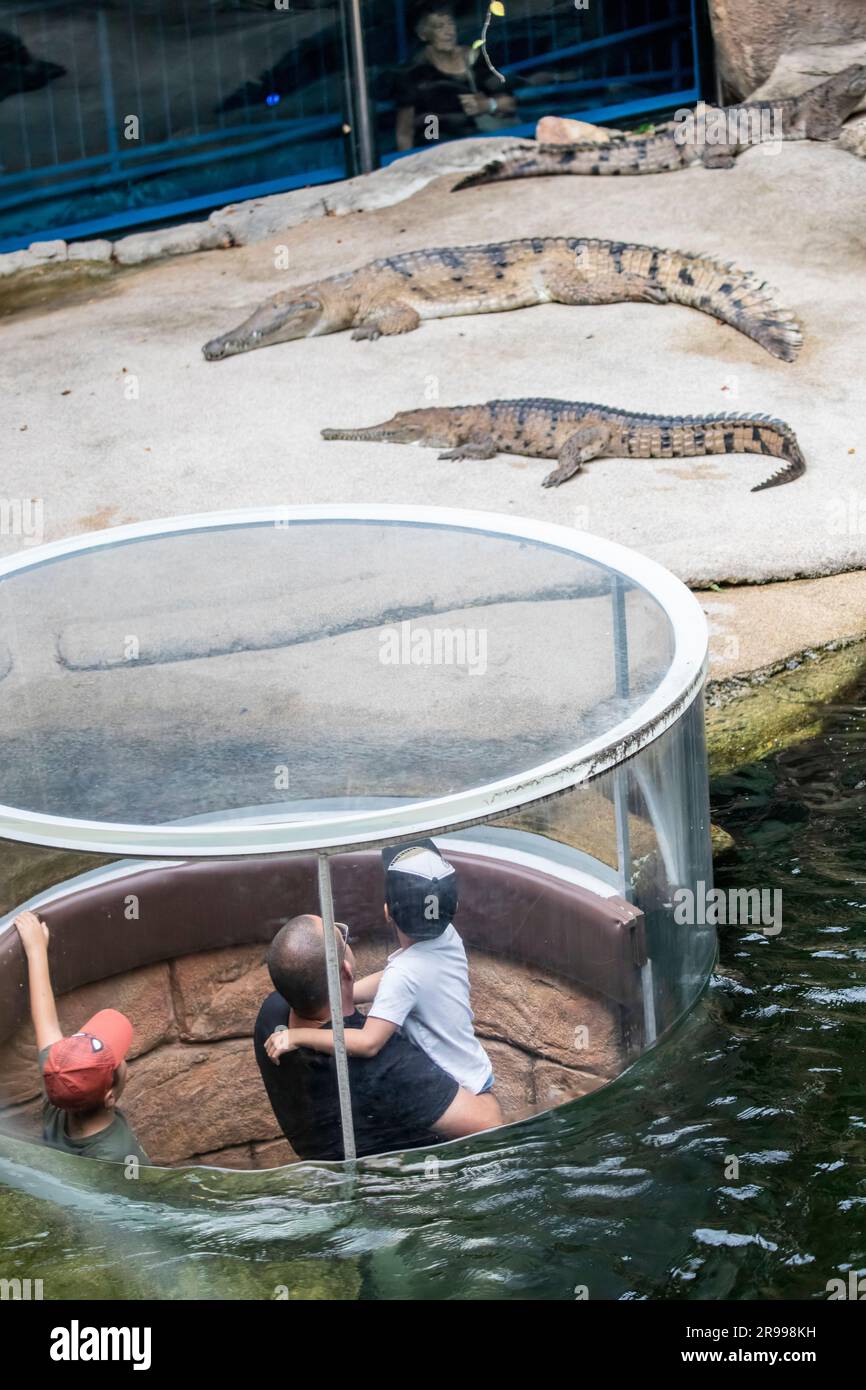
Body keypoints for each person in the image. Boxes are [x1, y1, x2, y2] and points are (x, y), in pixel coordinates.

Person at [266, 843, 501, 1112]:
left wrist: (298, 1036)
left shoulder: (404, 975)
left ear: (387, 911)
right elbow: (402, 979)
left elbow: (368, 1044)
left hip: (461, 1088)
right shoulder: (448, 936)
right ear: (453, 907)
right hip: (476, 1071)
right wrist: (341, 991)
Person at [255, 912, 500, 1160]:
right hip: (412, 1186)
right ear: (346, 971)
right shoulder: (385, 1064)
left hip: (333, 1170)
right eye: (343, 937)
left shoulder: (271, 1017)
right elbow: (489, 1124)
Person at [14, 910, 148, 1165]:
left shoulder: (59, 1082)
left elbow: (46, 1021)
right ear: (110, 1097)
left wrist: (36, 951)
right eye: (118, 1059)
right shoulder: (117, 1156)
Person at [394, 3, 516, 151]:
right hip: (435, 149)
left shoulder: (475, 59)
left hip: (480, 144)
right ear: (423, 34)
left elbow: (510, 104)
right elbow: (404, 133)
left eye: (450, 24)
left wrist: (487, 105)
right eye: (439, 26)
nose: (449, 32)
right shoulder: (414, 74)